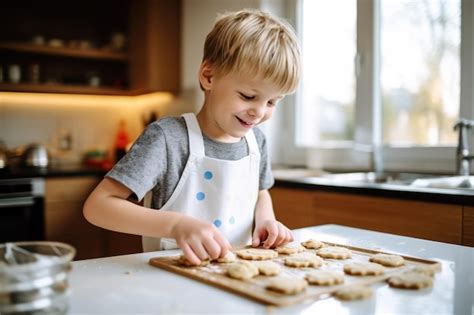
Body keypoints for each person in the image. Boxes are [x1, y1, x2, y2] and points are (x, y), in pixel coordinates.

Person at [83, 9, 301, 265]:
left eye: (272, 102)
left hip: (237, 283)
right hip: (171, 287)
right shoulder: (167, 140)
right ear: (208, 76)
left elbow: (260, 192)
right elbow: (98, 206)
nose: (260, 112)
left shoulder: (257, 142)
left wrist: (266, 219)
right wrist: (176, 225)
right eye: (248, 96)